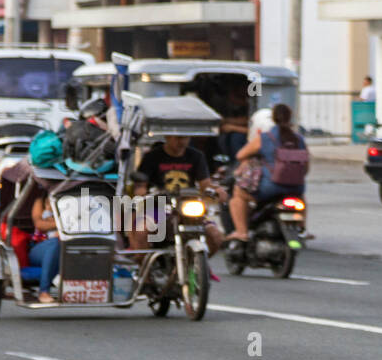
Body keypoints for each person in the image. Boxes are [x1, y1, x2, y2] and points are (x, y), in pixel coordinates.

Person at [130, 134, 227, 258]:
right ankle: (145, 270)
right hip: (159, 207)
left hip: (188, 207)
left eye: (185, 137)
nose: (181, 141)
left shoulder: (196, 156)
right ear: (167, 137)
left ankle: (198, 265)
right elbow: (140, 186)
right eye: (177, 138)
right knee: (142, 231)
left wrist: (217, 191)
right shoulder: (152, 157)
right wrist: (143, 193)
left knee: (216, 236)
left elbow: (205, 184)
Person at [228, 103, 307, 242]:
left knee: (238, 195)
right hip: (297, 187)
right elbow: (306, 167)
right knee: (301, 199)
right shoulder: (299, 139)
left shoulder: (265, 138)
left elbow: (240, 155)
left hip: (269, 187)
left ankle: (242, 232)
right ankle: (302, 228)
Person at [26, 191, 61, 303]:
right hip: (40, 248)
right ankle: (44, 291)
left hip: (66, 245)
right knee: (55, 243)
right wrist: (63, 225)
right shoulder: (41, 201)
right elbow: (39, 224)